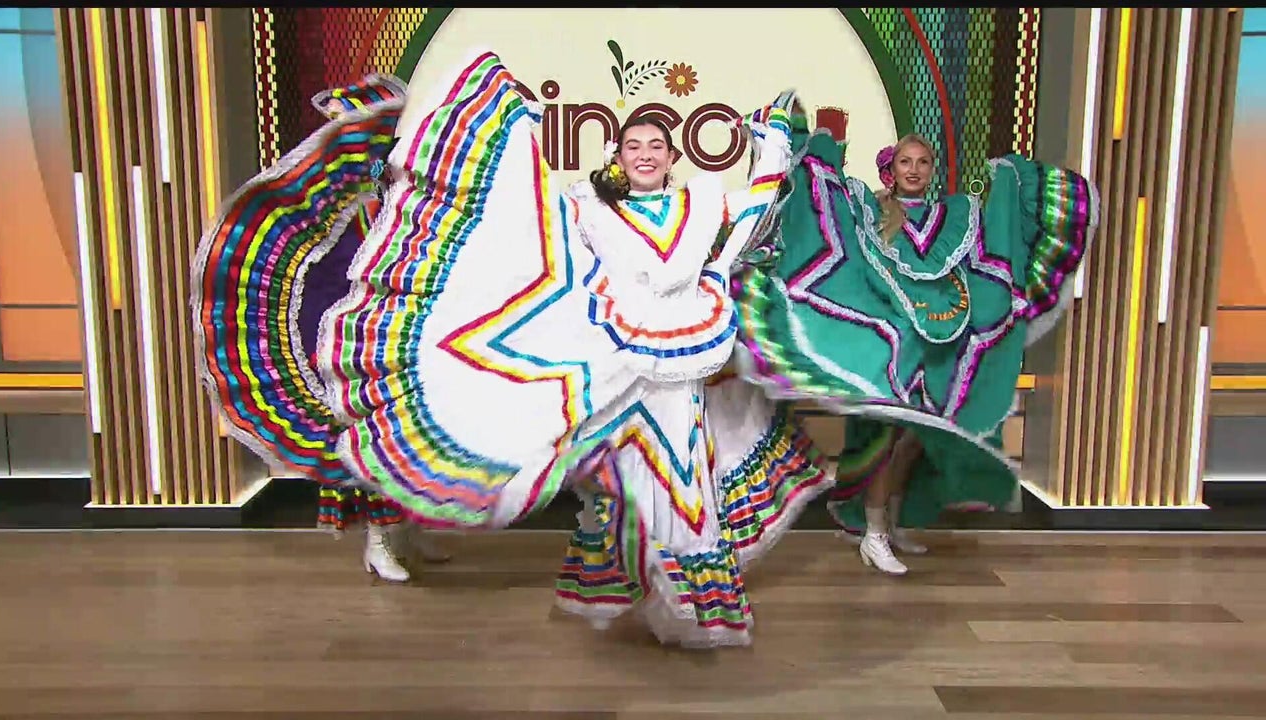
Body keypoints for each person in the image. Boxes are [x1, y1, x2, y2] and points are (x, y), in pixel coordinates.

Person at [192, 50, 833, 648]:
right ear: (618, 155)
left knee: (682, 484)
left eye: (656, 146)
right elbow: (519, 214)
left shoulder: (700, 209)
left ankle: (678, 613)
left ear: (672, 157)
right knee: (608, 479)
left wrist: (772, 142)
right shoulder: (589, 210)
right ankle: (643, 596)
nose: (645, 154)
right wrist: (513, 132)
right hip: (613, 371)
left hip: (681, 373)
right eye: (633, 145)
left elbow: (755, 210)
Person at [732, 105, 1098, 575]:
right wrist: (823, 145)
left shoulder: (957, 213)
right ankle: (875, 535)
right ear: (892, 167)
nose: (914, 170)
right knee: (889, 434)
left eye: (923, 162)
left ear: (932, 170)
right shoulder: (870, 208)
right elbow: (827, 210)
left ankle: (888, 523)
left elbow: (989, 253)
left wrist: (1008, 180)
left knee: (915, 439)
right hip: (891, 348)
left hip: (939, 347)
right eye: (906, 162)